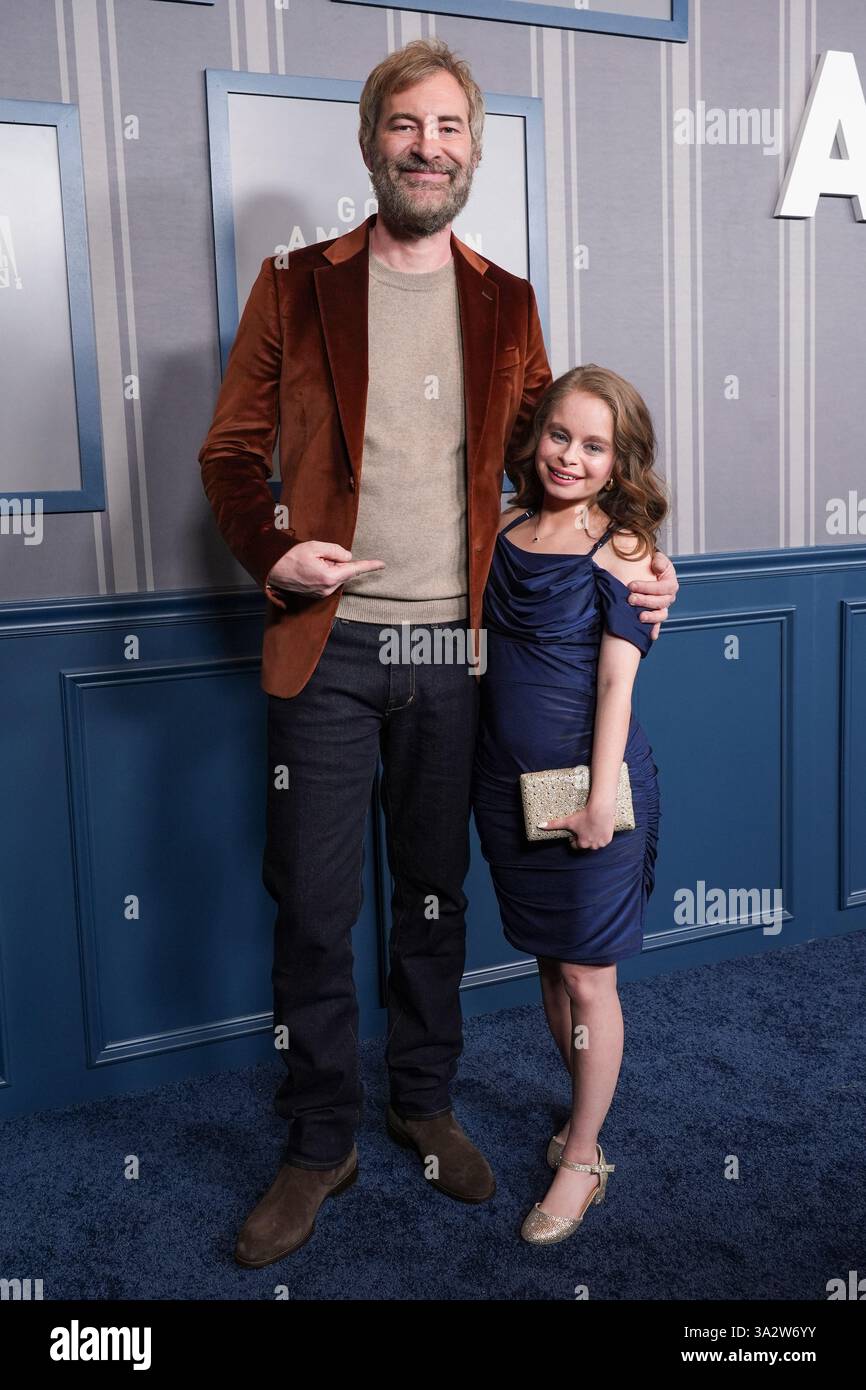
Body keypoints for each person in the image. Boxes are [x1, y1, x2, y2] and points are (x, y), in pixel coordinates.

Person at [197, 37, 680, 1268]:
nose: (428, 146)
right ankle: (320, 1140)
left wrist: (635, 551)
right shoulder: (292, 284)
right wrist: (272, 552)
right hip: (329, 648)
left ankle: (420, 1102)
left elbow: (554, 468)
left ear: (472, 148)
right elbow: (227, 453)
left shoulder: (503, 300)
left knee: (432, 899)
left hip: (463, 654)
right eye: (406, 125)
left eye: (450, 127)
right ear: (372, 142)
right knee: (309, 905)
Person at [472, 365, 669, 1245]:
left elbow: (615, 686)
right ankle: (581, 1123)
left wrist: (596, 803)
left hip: (595, 791)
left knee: (590, 976)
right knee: (551, 967)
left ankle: (583, 1156)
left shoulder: (621, 549)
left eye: (595, 446)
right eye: (560, 435)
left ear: (619, 460)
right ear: (537, 435)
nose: (571, 456)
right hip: (508, 788)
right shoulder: (506, 526)